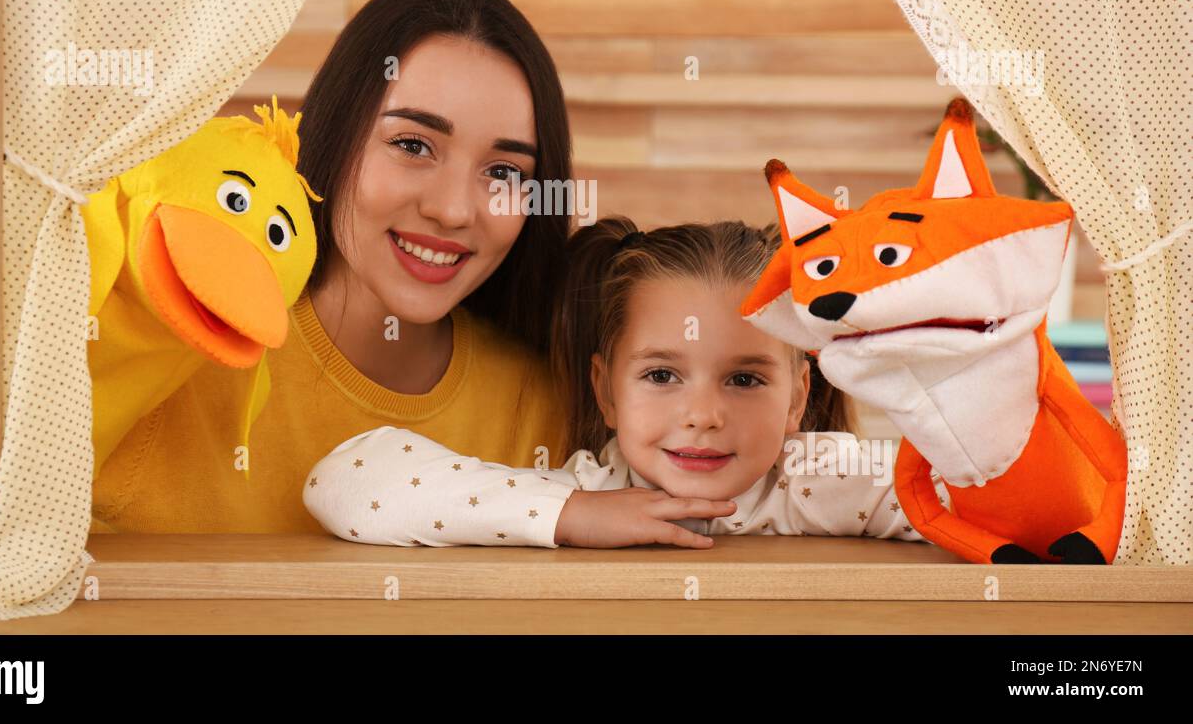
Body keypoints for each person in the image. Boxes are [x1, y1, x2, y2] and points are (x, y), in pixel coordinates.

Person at [0, 0, 575, 553]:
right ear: (332, 139)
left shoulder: (543, 403)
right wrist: (98, 266)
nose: (456, 210)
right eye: (414, 145)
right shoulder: (165, 331)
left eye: (504, 171)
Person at [303, 218, 946, 548]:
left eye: (744, 379)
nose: (702, 415)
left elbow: (993, 498)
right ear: (607, 391)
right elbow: (343, 484)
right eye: (662, 374)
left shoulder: (825, 480)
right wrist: (572, 516)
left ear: (798, 397)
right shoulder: (587, 491)